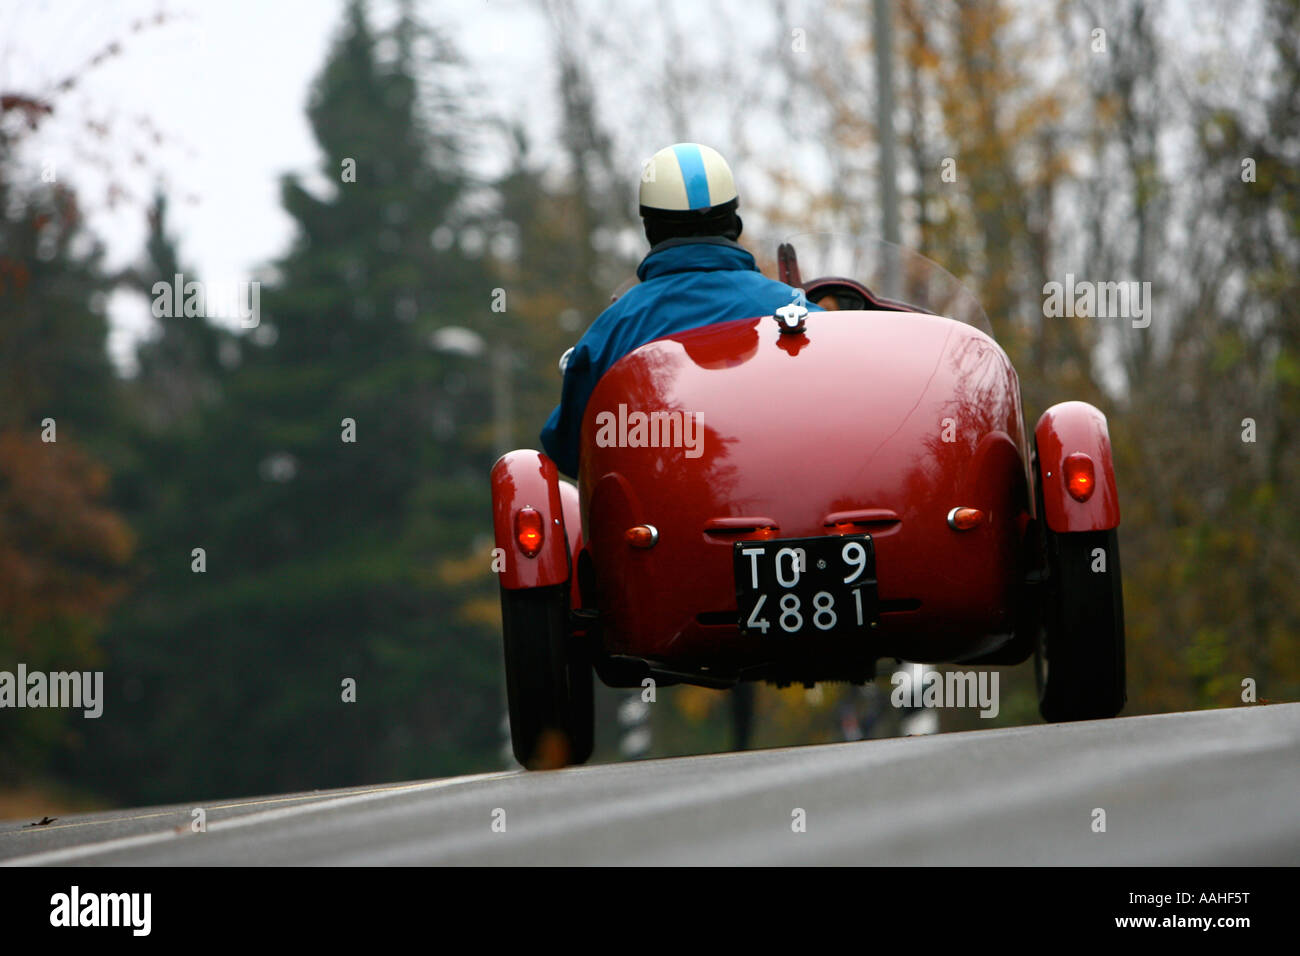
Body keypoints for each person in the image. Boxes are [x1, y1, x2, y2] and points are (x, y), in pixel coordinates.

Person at [540, 143, 819, 477]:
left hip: (656, 521)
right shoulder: (799, 312)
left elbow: (570, 451)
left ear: (650, 230)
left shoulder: (612, 331)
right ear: (734, 222)